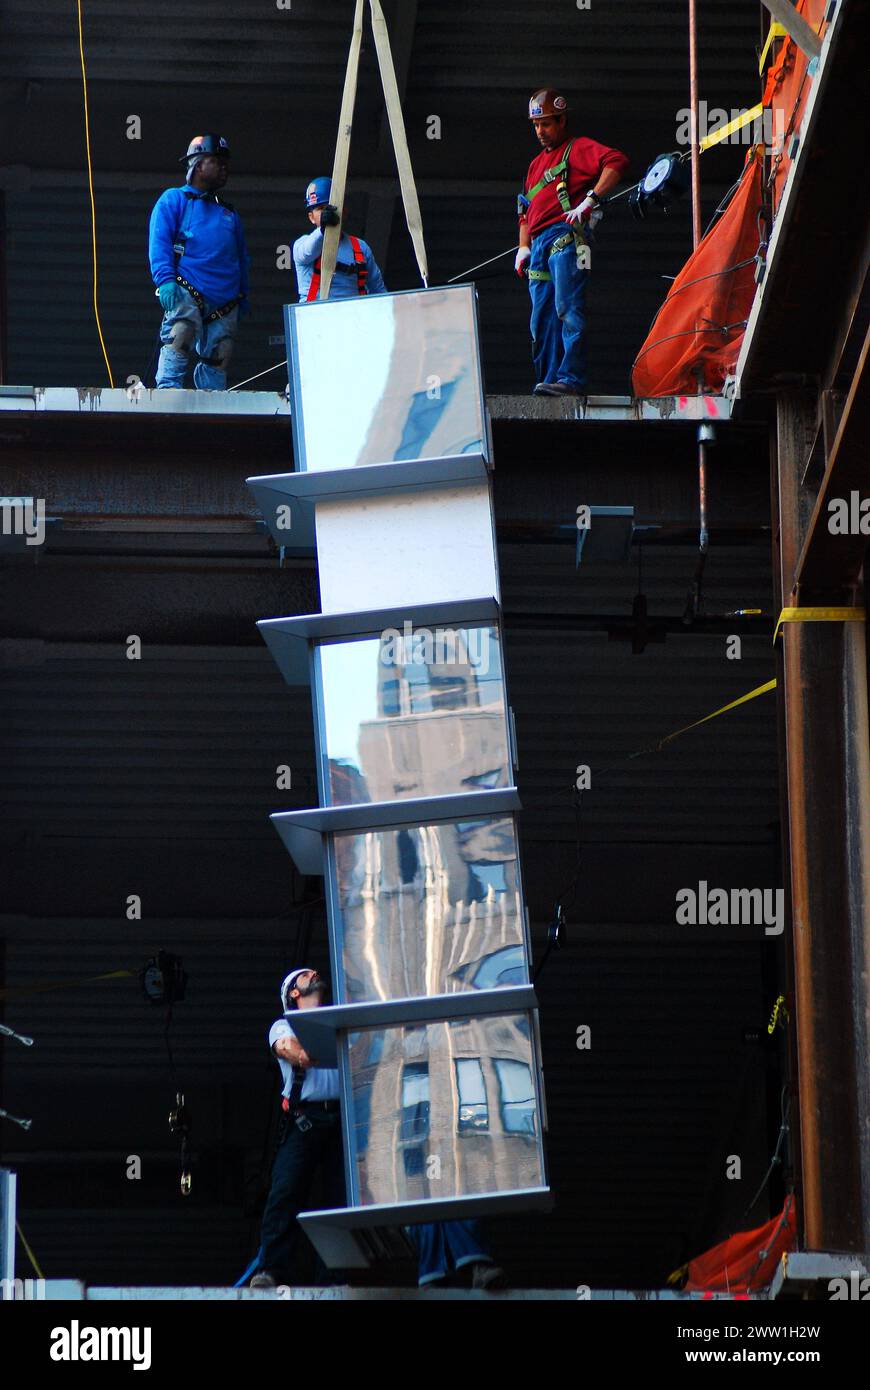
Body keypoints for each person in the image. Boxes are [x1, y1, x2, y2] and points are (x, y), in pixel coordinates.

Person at [515, 89, 628, 397]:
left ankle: (570, 380)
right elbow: (525, 209)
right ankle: (550, 381)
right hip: (538, 246)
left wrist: (590, 199)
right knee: (542, 321)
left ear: (562, 120)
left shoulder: (577, 149)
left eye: (547, 124)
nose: (540, 131)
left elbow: (616, 161)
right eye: (536, 125)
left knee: (568, 309)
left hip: (566, 240)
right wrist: (523, 246)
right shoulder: (535, 166)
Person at [250, 968, 345, 1289]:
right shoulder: (284, 1025)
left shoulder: (341, 1019)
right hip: (305, 1120)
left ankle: (333, 1277)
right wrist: (308, 1050)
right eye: (306, 975)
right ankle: (272, 1270)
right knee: (285, 1192)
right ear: (293, 992)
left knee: (340, 1202)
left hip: (342, 1122)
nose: (314, 973)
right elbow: (290, 1050)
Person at [148, 133, 249, 390]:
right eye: (217, 162)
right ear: (197, 163)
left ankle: (212, 400)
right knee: (180, 334)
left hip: (226, 298)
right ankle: (168, 391)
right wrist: (165, 280)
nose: (225, 168)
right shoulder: (174, 199)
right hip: (186, 286)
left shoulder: (229, 213)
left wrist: (243, 295)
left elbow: (241, 258)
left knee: (220, 352)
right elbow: (159, 242)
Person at [293, 177, 386, 302]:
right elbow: (307, 252)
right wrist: (323, 230)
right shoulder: (302, 244)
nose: (327, 213)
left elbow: (379, 291)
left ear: (344, 211)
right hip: (315, 317)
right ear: (311, 217)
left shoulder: (360, 247)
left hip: (354, 316)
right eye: (320, 209)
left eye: (330, 208)